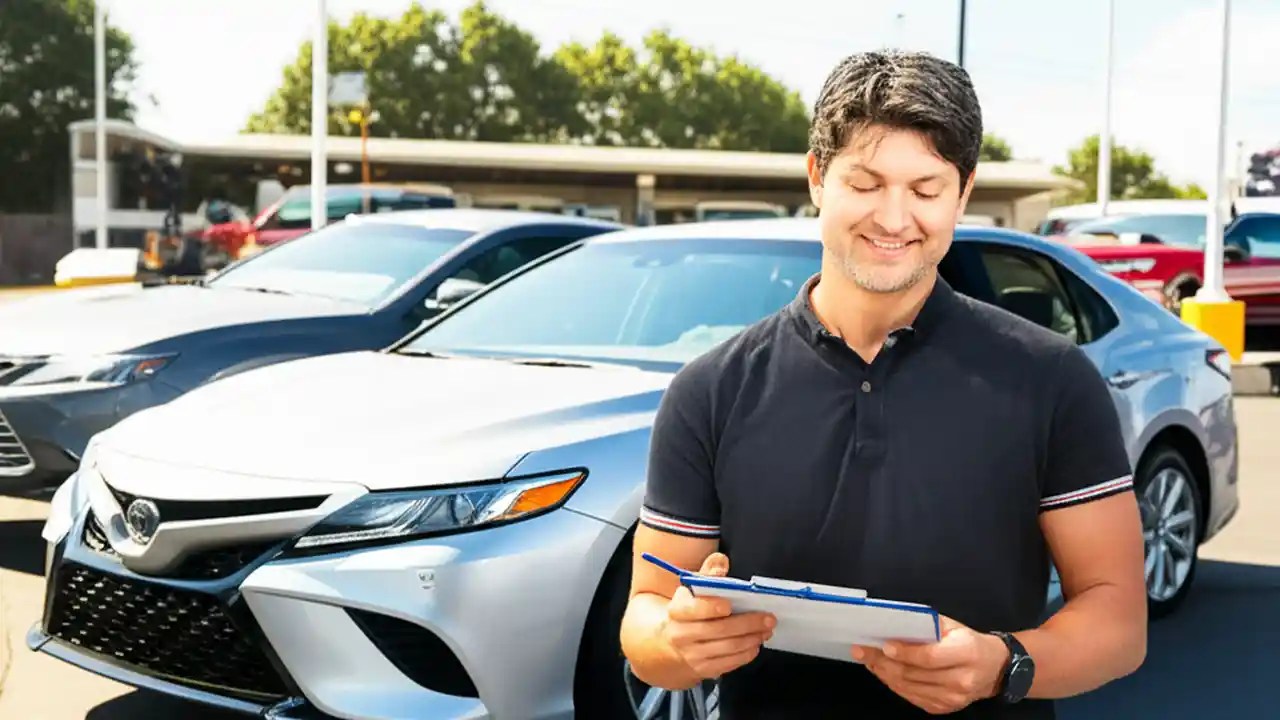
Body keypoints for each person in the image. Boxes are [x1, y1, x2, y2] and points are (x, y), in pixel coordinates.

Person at [619, 50, 1147, 719]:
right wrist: (676, 638)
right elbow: (645, 618)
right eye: (866, 184)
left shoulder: (1051, 378)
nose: (895, 219)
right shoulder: (710, 390)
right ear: (817, 177)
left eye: (925, 190)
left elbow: (1118, 621)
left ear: (963, 192)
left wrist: (1003, 664)